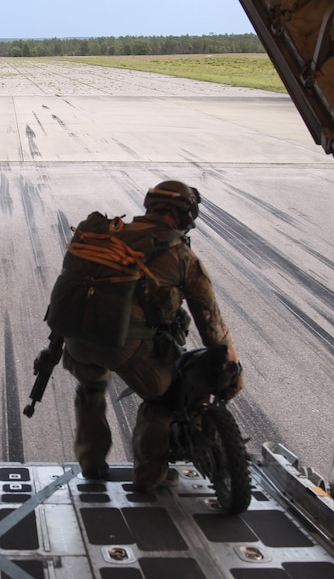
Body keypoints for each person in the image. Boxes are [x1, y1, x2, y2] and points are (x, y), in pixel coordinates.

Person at [55, 180, 241, 489]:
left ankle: (91, 465)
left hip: (77, 339)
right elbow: (211, 326)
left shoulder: (110, 235)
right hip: (125, 347)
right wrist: (232, 369)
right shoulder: (182, 255)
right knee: (163, 402)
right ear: (186, 215)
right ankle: (149, 478)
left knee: (91, 389)